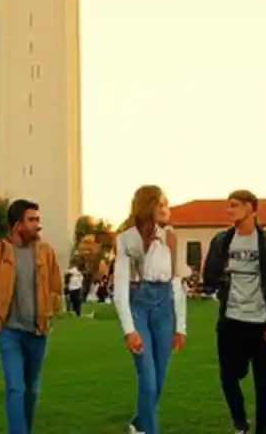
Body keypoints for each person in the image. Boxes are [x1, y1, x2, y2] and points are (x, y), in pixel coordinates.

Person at [201, 189, 266, 434]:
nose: (230, 210)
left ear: (252, 209)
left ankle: (262, 430)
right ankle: (240, 423)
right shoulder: (221, 241)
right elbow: (209, 276)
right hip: (231, 320)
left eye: (236, 205)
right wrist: (218, 279)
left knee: (263, 383)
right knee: (229, 377)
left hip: (261, 321)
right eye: (229, 206)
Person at [0, 199, 63, 434]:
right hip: (9, 331)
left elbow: (56, 285)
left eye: (38, 219)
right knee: (15, 388)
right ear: (17, 224)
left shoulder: (46, 252)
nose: (38, 224)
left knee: (31, 390)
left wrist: (50, 310)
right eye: (32, 220)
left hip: (37, 332)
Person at [113, 185, 188, 434]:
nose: (167, 210)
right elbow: (120, 289)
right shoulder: (126, 239)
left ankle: (138, 423)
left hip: (165, 306)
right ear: (149, 206)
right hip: (139, 305)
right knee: (147, 377)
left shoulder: (170, 236)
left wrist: (181, 326)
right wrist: (129, 330)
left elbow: (176, 281)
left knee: (159, 379)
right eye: (162, 204)